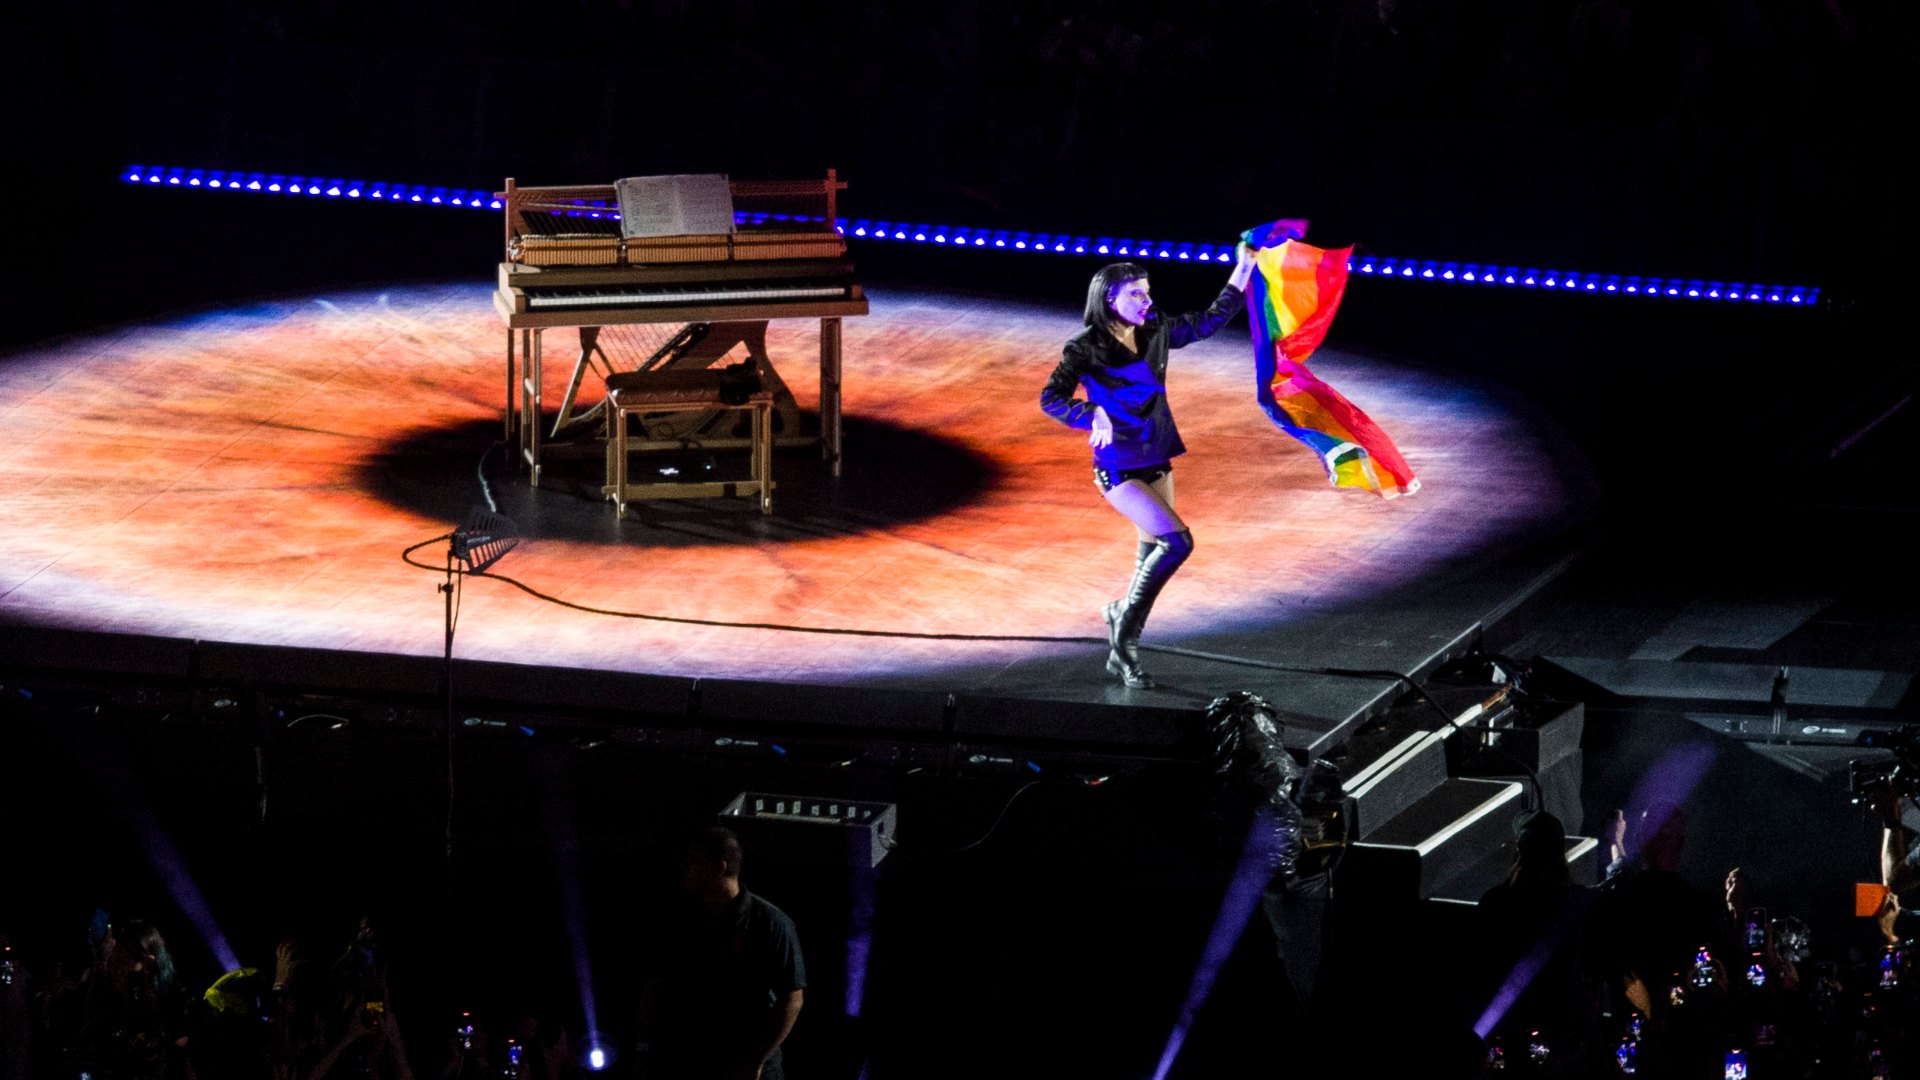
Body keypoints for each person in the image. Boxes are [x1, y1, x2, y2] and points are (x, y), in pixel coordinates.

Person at [1040, 244, 1259, 689]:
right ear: (1109, 299)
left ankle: (1124, 629)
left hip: (1157, 454)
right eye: (1136, 295)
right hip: (1118, 467)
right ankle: (1123, 640)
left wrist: (1243, 269)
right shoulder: (1084, 348)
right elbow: (1051, 397)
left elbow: (1209, 321)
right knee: (1177, 543)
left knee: (1150, 556)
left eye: (1148, 293)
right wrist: (1090, 414)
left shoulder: (1156, 328)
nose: (1147, 302)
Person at [637, 827, 805, 1080]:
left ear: (720, 867)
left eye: (695, 861)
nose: (685, 867)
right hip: (692, 1059)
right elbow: (655, 984)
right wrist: (644, 1048)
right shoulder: (680, 920)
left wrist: (756, 1060)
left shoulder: (772, 923)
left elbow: (792, 1000)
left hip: (750, 1065)